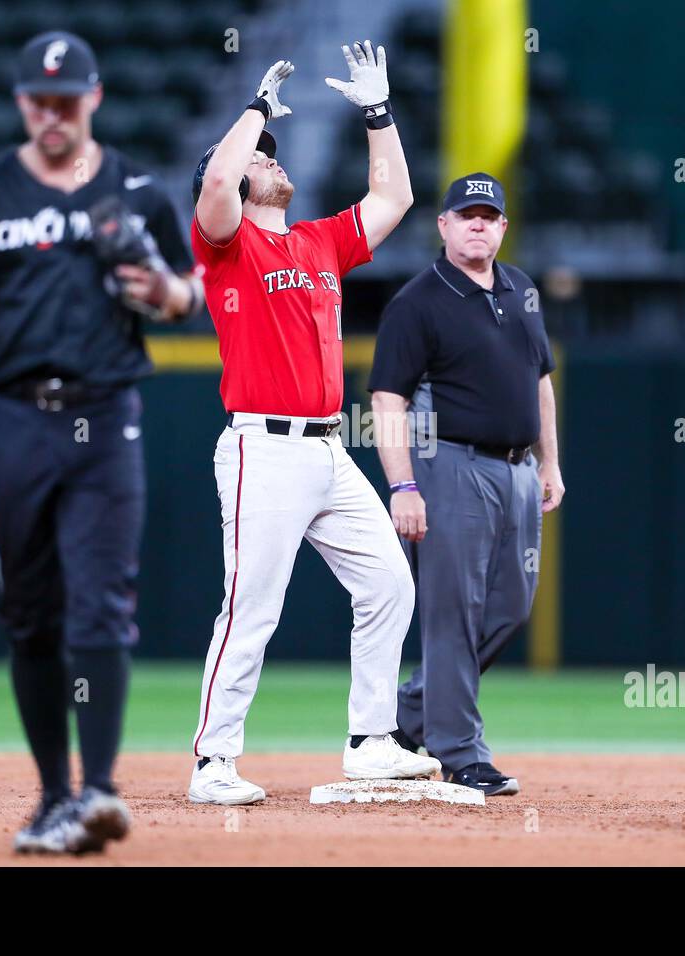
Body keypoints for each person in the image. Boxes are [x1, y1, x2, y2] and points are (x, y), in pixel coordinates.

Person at [0, 31, 204, 853]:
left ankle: (100, 791)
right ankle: (51, 798)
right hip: (15, 417)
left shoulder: (137, 190)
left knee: (102, 605)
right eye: (38, 101)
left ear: (94, 99)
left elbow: (186, 296)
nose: (51, 115)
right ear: (20, 104)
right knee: (32, 617)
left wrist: (164, 291)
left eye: (66, 100)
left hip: (107, 416)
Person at [186, 43, 441, 805]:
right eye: (259, 158)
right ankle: (213, 762)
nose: (271, 160)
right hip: (261, 447)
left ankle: (370, 741)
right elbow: (214, 182)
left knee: (391, 582)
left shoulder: (317, 240)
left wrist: (378, 113)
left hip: (328, 448)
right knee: (252, 609)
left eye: (271, 154)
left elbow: (394, 198)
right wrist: (255, 111)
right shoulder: (226, 243)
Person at [367, 172, 565, 796]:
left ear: (503, 227)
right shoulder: (418, 300)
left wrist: (549, 462)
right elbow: (387, 399)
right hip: (451, 466)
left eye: (489, 216)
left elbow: (540, 382)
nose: (478, 224)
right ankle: (460, 753)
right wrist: (403, 487)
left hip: (518, 471)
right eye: (466, 215)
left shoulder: (522, 289)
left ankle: (408, 718)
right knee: (452, 615)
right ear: (444, 225)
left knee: (510, 607)